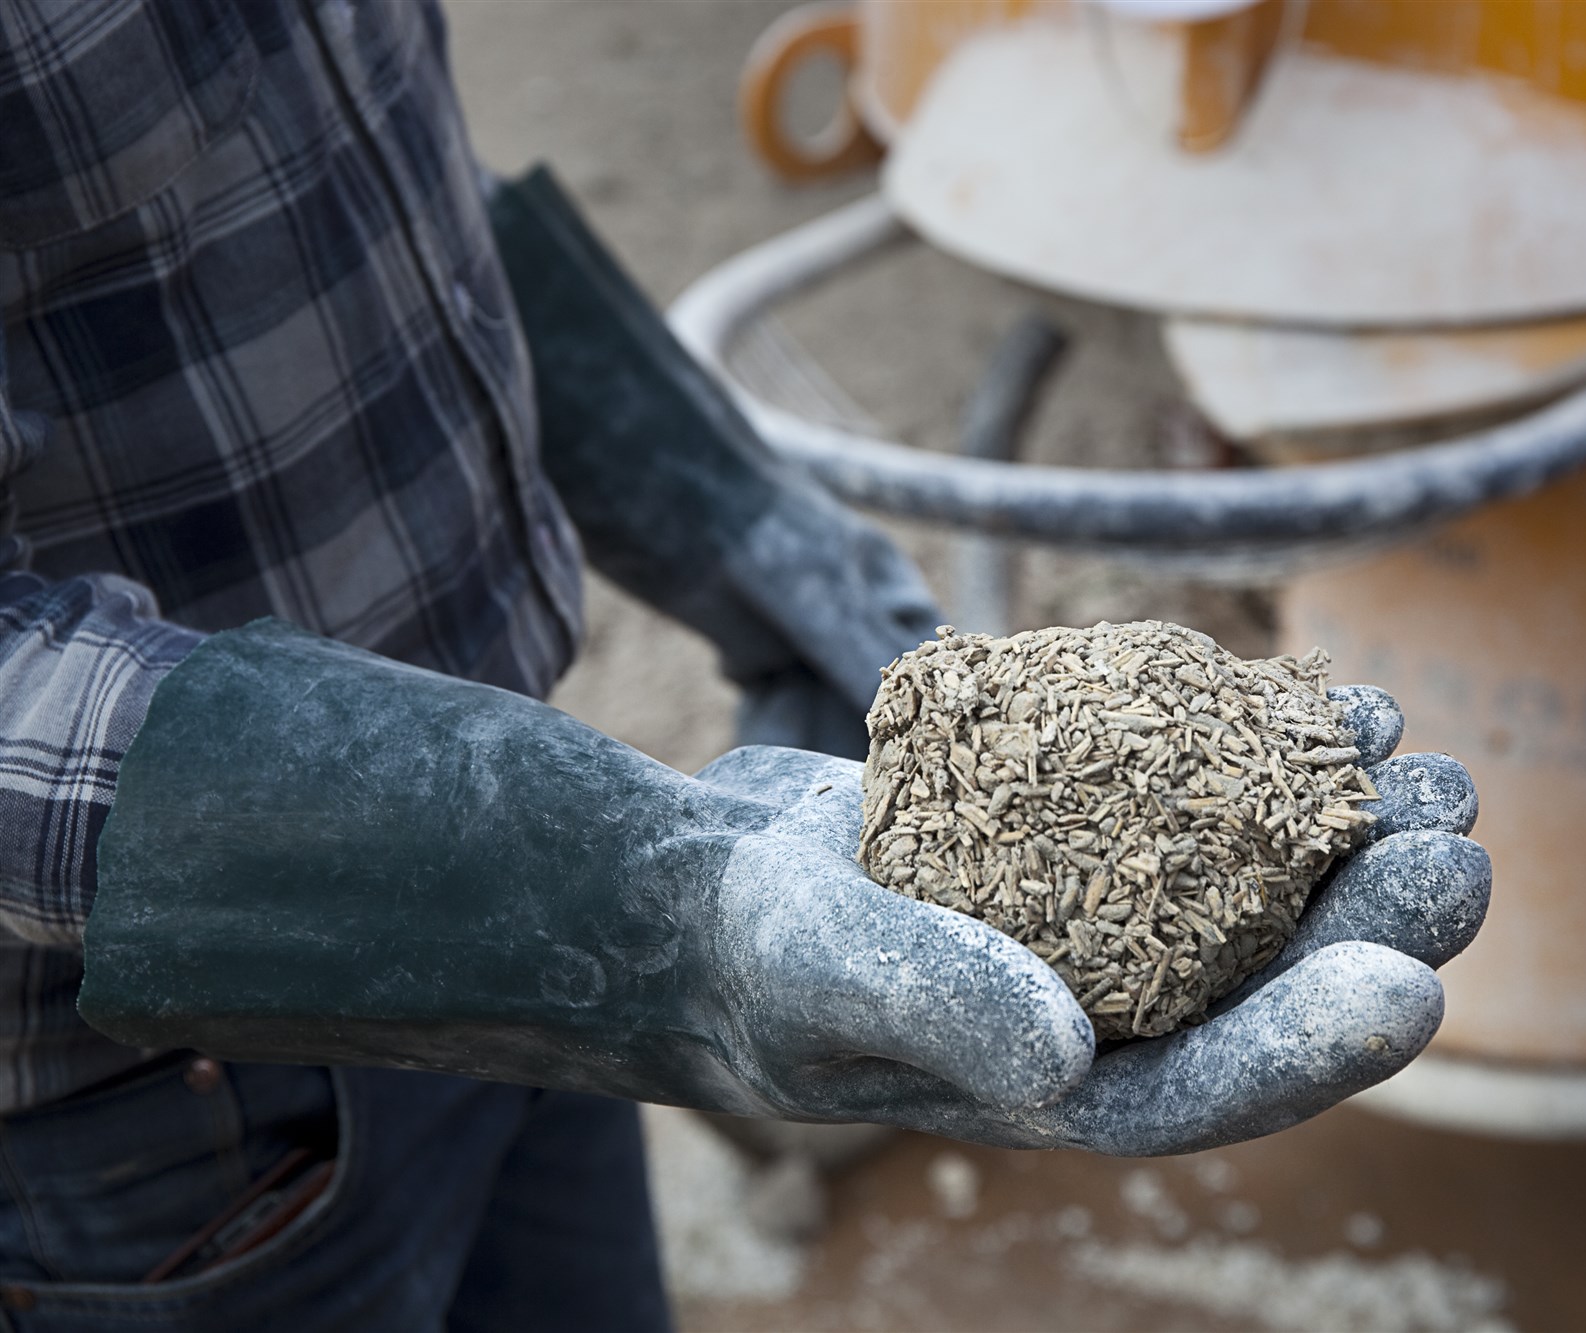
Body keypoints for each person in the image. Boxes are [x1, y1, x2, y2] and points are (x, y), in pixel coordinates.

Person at [0, 1, 1490, 1328]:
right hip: (163, 1098)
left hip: (531, 824)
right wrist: (651, 910)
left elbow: (330, 174)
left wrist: (717, 507)